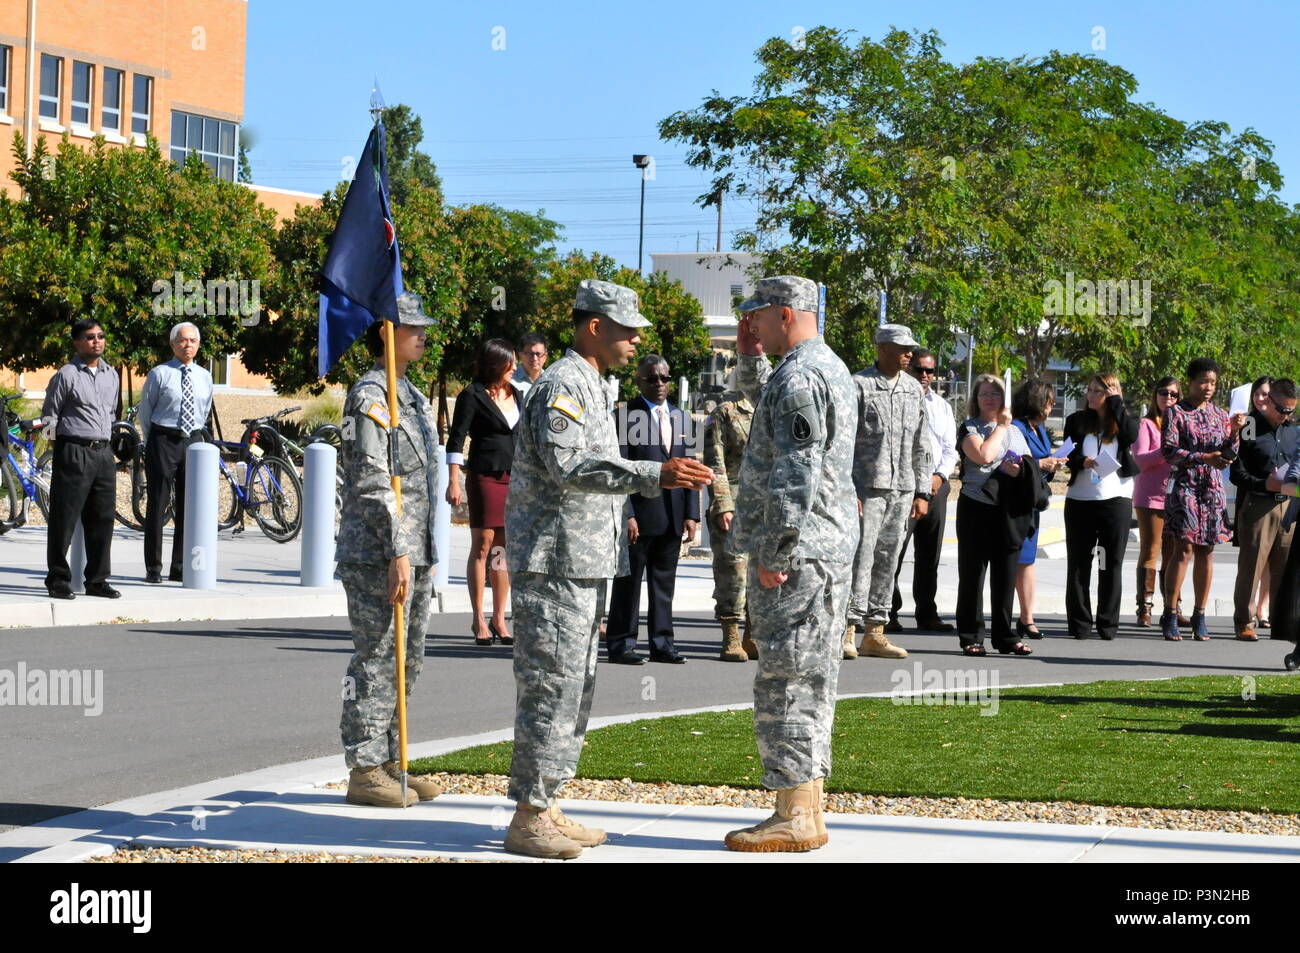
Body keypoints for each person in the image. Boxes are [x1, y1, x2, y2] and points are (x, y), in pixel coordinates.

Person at [503, 279, 713, 859]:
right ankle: (527, 816)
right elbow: (570, 465)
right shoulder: (563, 385)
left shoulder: (594, 385)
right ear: (594, 327)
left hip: (584, 560)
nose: (637, 339)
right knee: (550, 688)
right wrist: (654, 476)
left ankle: (547, 801)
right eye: (628, 329)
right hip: (555, 563)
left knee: (575, 687)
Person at [723, 275, 858, 853]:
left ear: (783, 313)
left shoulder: (802, 376)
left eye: (757, 316)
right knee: (809, 676)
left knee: (787, 680)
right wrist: (750, 357)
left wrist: (773, 552)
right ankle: (805, 804)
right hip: (822, 548)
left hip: (799, 554)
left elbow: (795, 473)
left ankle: (795, 813)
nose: (750, 326)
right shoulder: (822, 366)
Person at [336, 293, 442, 809]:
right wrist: (399, 550)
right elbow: (374, 479)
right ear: (385, 332)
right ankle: (364, 767)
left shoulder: (412, 396)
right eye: (412, 327)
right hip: (378, 551)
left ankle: (393, 760)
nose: (422, 334)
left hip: (412, 548)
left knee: (410, 658)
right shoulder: (370, 395)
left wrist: (421, 549)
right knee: (377, 658)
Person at [843, 324, 931, 660]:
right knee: (860, 559)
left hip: (903, 487)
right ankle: (848, 629)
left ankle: (875, 631)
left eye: (910, 347)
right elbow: (843, 442)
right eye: (901, 347)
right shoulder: (859, 385)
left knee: (888, 559)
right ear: (882, 348)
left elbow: (921, 444)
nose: (909, 353)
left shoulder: (913, 389)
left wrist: (923, 491)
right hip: (867, 488)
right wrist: (847, 487)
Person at [606, 355, 700, 664]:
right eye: (652, 378)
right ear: (638, 381)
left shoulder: (683, 418)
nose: (659, 384)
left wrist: (691, 513)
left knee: (664, 584)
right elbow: (618, 470)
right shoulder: (624, 417)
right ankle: (621, 644)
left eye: (664, 378)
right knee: (629, 584)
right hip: (639, 515)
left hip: (672, 516)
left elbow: (692, 468)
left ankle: (662, 644)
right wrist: (628, 513)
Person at [1161, 357, 1248, 641]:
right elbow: (1169, 451)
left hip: (1212, 489)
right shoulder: (1176, 413)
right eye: (1203, 382)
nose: (1208, 387)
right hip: (1185, 486)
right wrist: (1202, 458)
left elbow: (1229, 453)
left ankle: (1200, 614)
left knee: (1207, 551)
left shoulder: (1220, 414)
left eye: (1212, 382)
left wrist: (1234, 432)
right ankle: (1171, 613)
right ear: (1190, 382)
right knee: (1182, 549)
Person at [446, 339, 522, 646]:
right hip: (484, 475)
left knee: (503, 548)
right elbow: (456, 439)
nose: (515, 367)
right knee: (484, 544)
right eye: (510, 362)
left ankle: (499, 617)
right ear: (496, 364)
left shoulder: (517, 394)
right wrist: (453, 480)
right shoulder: (471, 395)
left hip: (514, 478)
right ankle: (478, 617)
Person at [954, 374, 1035, 656]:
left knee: (1005, 575)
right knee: (973, 575)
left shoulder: (1016, 431)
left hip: (1007, 509)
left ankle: (1005, 636)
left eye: (995, 394)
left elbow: (1022, 462)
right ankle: (971, 636)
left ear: (1004, 398)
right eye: (984, 394)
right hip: (976, 506)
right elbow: (984, 456)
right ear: (975, 400)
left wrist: (1018, 468)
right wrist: (1001, 427)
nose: (989, 399)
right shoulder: (969, 427)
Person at [42, 319, 121, 600]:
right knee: (64, 518)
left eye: (100, 336)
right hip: (73, 451)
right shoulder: (66, 375)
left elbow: (111, 413)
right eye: (89, 337)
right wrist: (58, 449)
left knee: (102, 518)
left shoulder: (112, 374)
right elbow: (50, 415)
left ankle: (97, 580)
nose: (96, 341)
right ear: (77, 342)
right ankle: (58, 579)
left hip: (103, 454)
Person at [1062, 374, 1139, 641]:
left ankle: (1107, 624)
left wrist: (1117, 402)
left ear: (1112, 394)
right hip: (1080, 501)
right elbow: (1065, 453)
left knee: (1109, 563)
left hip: (1115, 501)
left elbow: (1132, 436)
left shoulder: (1124, 422)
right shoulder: (1076, 421)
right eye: (1090, 390)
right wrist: (1082, 460)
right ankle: (1080, 625)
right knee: (1079, 564)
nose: (1092, 395)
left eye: (1100, 391)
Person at [136, 322, 213, 584]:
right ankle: (153, 568)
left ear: (198, 345)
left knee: (187, 506)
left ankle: (179, 565)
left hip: (192, 441)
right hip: (163, 439)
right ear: (172, 344)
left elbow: (204, 411)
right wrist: (153, 439)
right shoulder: (159, 374)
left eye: (192, 341)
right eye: (182, 340)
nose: (187, 345)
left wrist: (196, 436)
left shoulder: (205, 376)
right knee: (157, 504)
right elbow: (145, 412)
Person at [889, 347, 959, 633]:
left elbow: (949, 450)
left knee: (929, 555)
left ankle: (926, 613)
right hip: (903, 487)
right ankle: (887, 613)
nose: (925, 375)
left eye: (930, 371)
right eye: (919, 369)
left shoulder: (941, 406)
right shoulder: (896, 399)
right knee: (893, 552)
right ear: (908, 368)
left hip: (935, 487)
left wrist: (939, 477)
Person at [1229, 378, 1297, 640]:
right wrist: (1263, 483)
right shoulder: (1249, 427)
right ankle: (1244, 621)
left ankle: (1281, 621)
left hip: (1289, 506)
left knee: (1284, 568)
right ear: (1268, 401)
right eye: (1281, 410)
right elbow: (1236, 472)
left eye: (1291, 411)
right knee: (1251, 566)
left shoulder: (1293, 431)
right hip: (1259, 504)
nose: (1285, 416)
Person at [703, 385, 756, 661]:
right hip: (734, 500)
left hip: (766, 502)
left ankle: (753, 633)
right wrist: (722, 503)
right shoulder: (725, 410)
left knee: (763, 569)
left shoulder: (773, 403)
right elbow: (715, 460)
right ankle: (731, 633)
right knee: (733, 569)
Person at [1011, 379, 1063, 639]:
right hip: (1015, 502)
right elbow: (1012, 459)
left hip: (1034, 502)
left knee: (1028, 560)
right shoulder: (1016, 427)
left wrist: (1051, 466)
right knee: (1013, 559)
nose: (1051, 408)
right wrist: (1041, 464)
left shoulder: (1039, 428)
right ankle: (1007, 616)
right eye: (1048, 402)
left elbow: (1040, 460)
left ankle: (1027, 617)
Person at [1132, 377, 1185, 627]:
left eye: (1174, 394)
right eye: (1163, 393)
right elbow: (1140, 460)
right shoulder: (1147, 424)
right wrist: (1167, 448)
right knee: (1151, 551)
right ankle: (1145, 607)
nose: (1168, 398)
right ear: (1155, 395)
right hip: (1151, 497)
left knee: (1175, 554)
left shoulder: (1184, 424)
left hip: (1178, 497)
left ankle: (1173, 606)